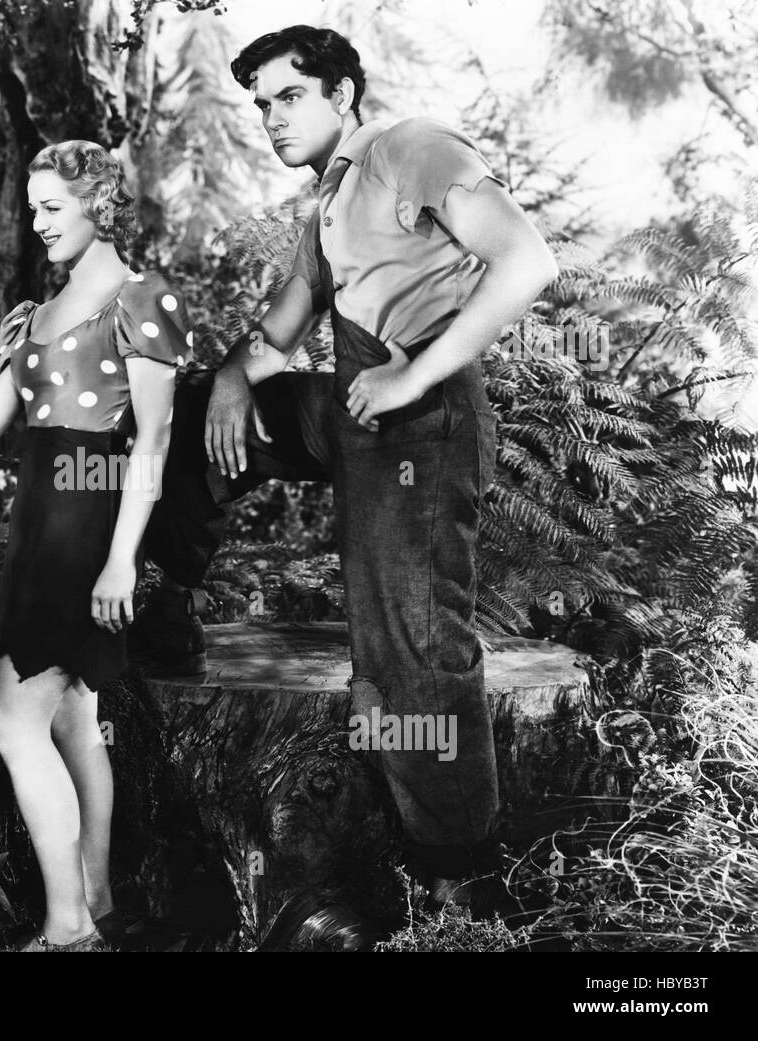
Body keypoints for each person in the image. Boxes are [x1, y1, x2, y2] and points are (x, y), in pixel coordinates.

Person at [134, 25, 558, 916]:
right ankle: (166, 606)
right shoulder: (325, 204)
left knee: (408, 649)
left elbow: (529, 259)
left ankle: (463, 885)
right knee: (197, 405)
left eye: (289, 96)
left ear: (342, 96)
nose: (270, 119)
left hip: (426, 423)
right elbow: (279, 330)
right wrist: (227, 387)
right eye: (259, 105)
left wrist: (418, 370)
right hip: (350, 409)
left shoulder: (410, 149)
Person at [0, 141, 190, 951]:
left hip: (84, 528)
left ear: (99, 205)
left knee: (14, 720)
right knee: (77, 718)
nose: (37, 222)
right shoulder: (37, 315)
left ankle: (66, 928)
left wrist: (123, 557)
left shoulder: (141, 298)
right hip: (39, 525)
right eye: (34, 207)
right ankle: (97, 898)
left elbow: (152, 442)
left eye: (53, 206)